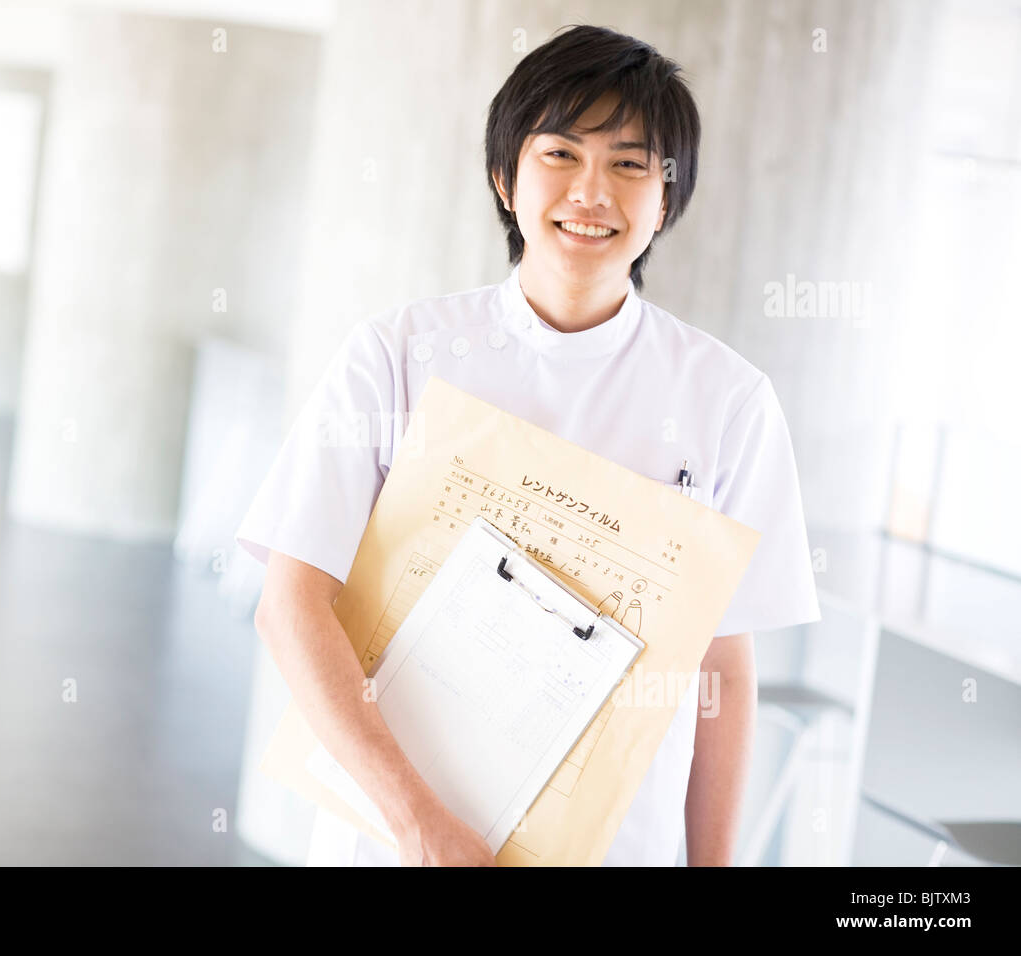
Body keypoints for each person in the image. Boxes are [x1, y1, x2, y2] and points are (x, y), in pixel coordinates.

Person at [236, 24, 820, 866]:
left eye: (629, 164)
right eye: (560, 154)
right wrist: (419, 826)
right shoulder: (398, 354)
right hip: (399, 835)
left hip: (618, 842)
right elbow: (289, 604)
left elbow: (721, 666)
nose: (593, 191)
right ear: (505, 178)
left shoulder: (729, 401)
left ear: (667, 199)